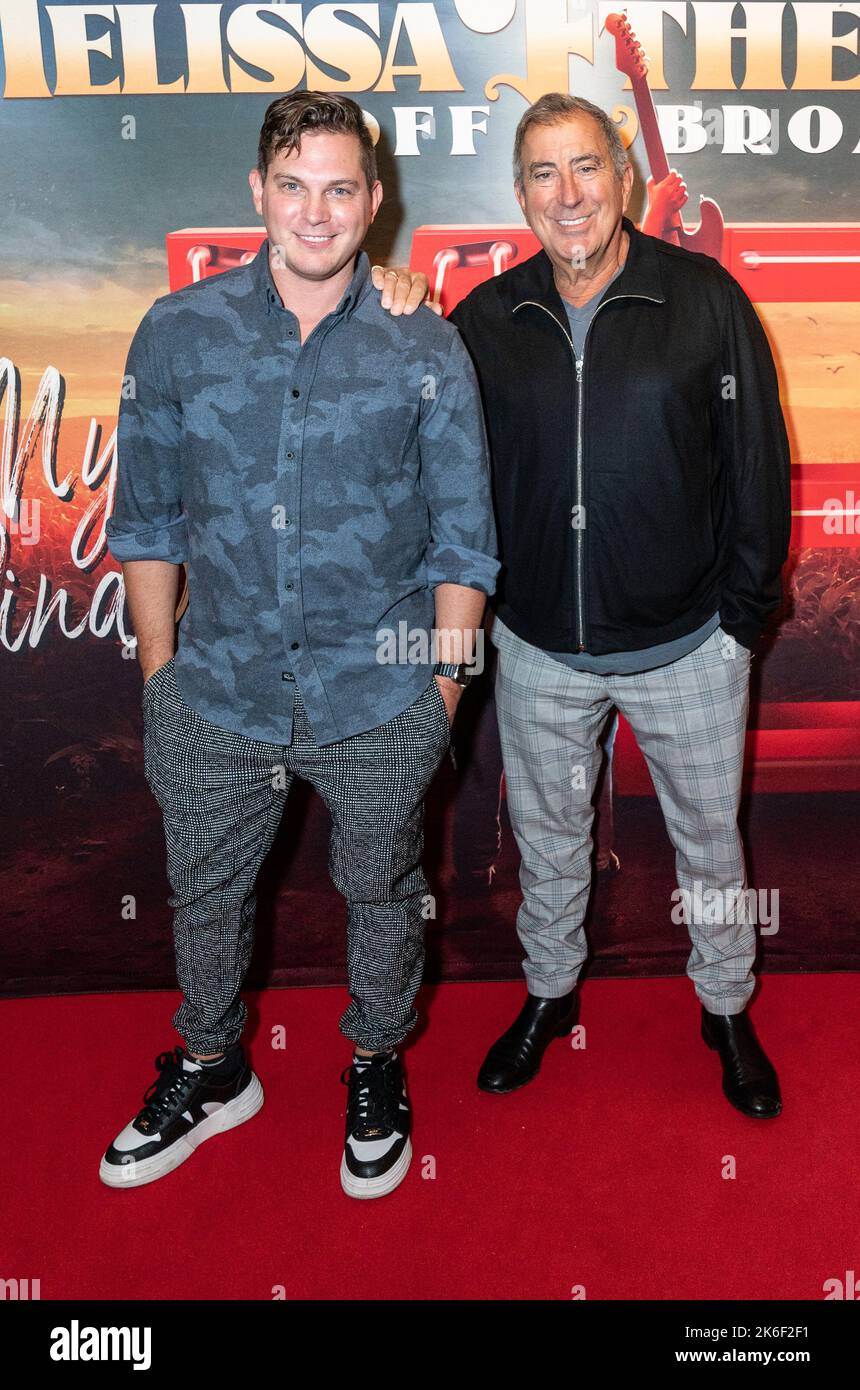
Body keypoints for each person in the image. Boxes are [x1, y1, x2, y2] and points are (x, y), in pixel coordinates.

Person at [101, 91, 499, 1198]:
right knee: (205, 896)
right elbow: (145, 522)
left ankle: (374, 1061)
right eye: (293, 186)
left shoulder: (425, 339)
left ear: (375, 202)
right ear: (256, 193)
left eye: (339, 189)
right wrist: (158, 679)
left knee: (382, 892)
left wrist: (442, 702)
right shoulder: (177, 330)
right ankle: (215, 1066)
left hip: (381, 694)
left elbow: (465, 538)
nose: (315, 213)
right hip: (214, 690)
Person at [437, 92, 790, 1113]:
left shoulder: (703, 299)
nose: (567, 193)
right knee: (549, 840)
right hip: (539, 647)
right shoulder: (485, 321)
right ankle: (548, 994)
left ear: (623, 177)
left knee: (709, 844)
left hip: (687, 645)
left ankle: (724, 1005)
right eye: (542, 173)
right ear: (518, 194)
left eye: (584, 166)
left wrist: (738, 623)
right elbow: (426, 443)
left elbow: (755, 465)